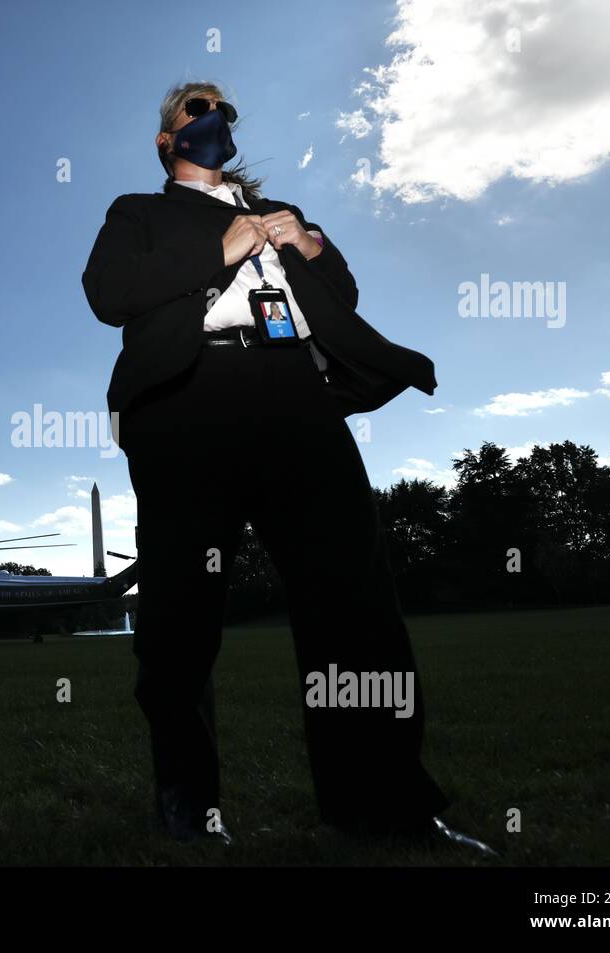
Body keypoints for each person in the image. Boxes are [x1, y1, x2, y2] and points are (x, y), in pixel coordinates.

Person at [81, 81, 493, 856]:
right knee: (181, 613)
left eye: (220, 111)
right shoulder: (138, 212)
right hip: (191, 402)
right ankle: (189, 802)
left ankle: (383, 803)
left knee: (355, 602)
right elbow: (110, 294)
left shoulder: (286, 215)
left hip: (299, 400)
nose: (212, 120)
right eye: (192, 112)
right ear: (167, 142)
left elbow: (341, 298)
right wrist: (221, 247)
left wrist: (309, 246)